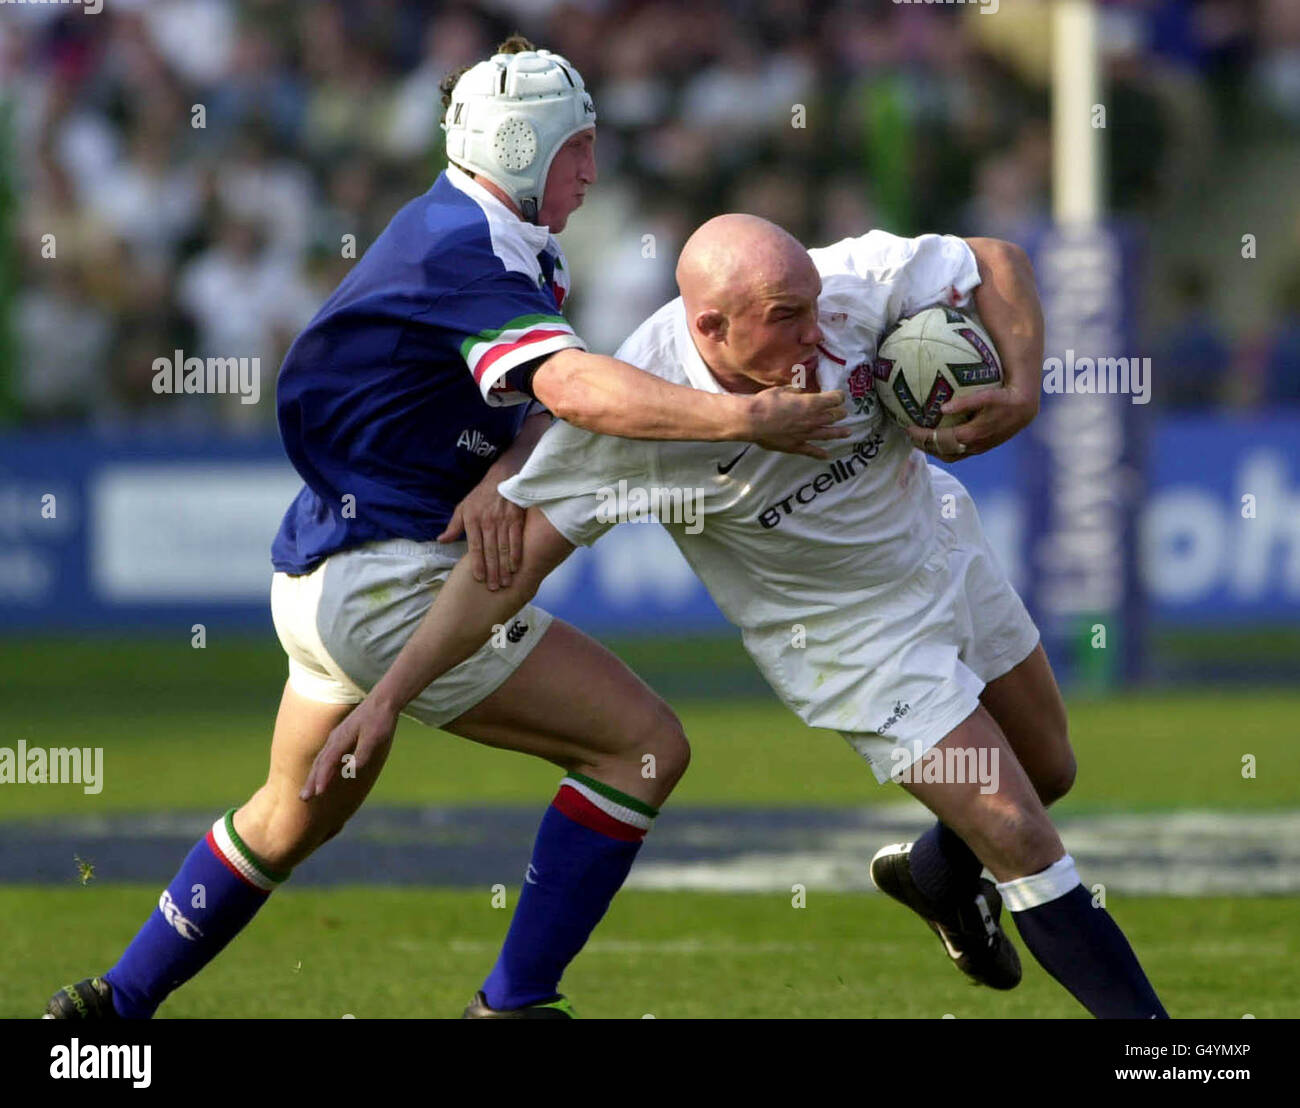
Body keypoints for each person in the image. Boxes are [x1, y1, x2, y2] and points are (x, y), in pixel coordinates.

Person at [44, 40, 843, 1021]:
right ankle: (510, 1005)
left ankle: (109, 1008)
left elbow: (536, 404)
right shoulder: (462, 246)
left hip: (326, 575)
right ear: (521, 147)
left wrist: (506, 468)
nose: (593, 172)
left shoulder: (488, 236)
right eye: (577, 150)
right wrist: (744, 419)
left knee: (287, 817)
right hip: (385, 578)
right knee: (640, 747)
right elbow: (575, 389)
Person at [306, 214, 1168, 1019]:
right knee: (1018, 827)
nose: (817, 334)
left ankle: (939, 874)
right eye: (788, 319)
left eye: (815, 307)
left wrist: (1020, 391)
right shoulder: (640, 411)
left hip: (944, 548)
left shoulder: (850, 283)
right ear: (710, 327)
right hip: (851, 644)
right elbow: (506, 573)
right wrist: (385, 702)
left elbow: (996, 262)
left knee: (1048, 770)